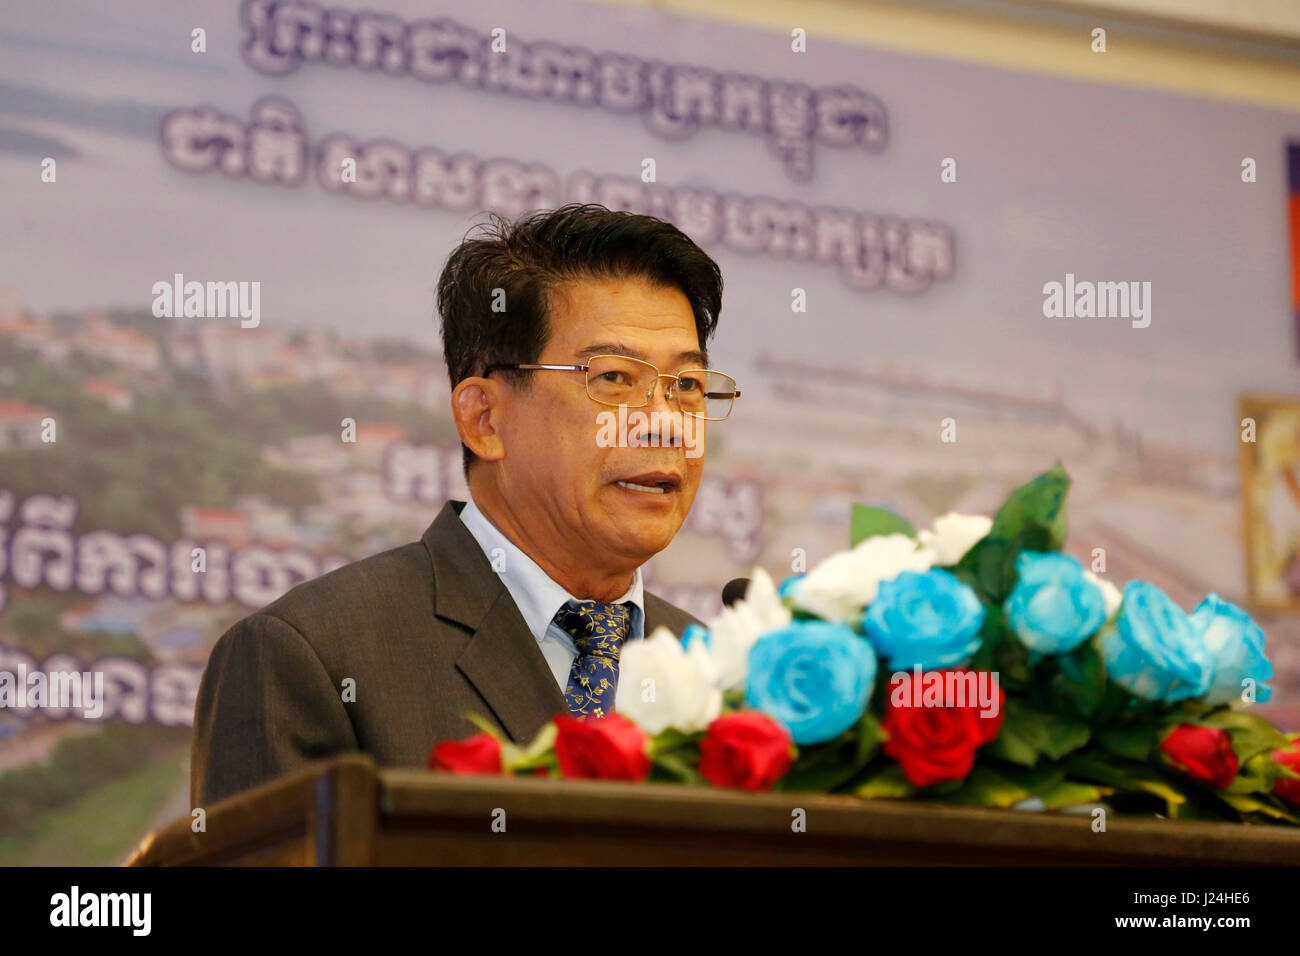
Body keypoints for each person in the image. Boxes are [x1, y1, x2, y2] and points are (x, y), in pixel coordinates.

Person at [190, 204, 740, 805]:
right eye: (613, 379)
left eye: (686, 386)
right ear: (484, 418)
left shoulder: (724, 678)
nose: (664, 425)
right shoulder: (311, 656)